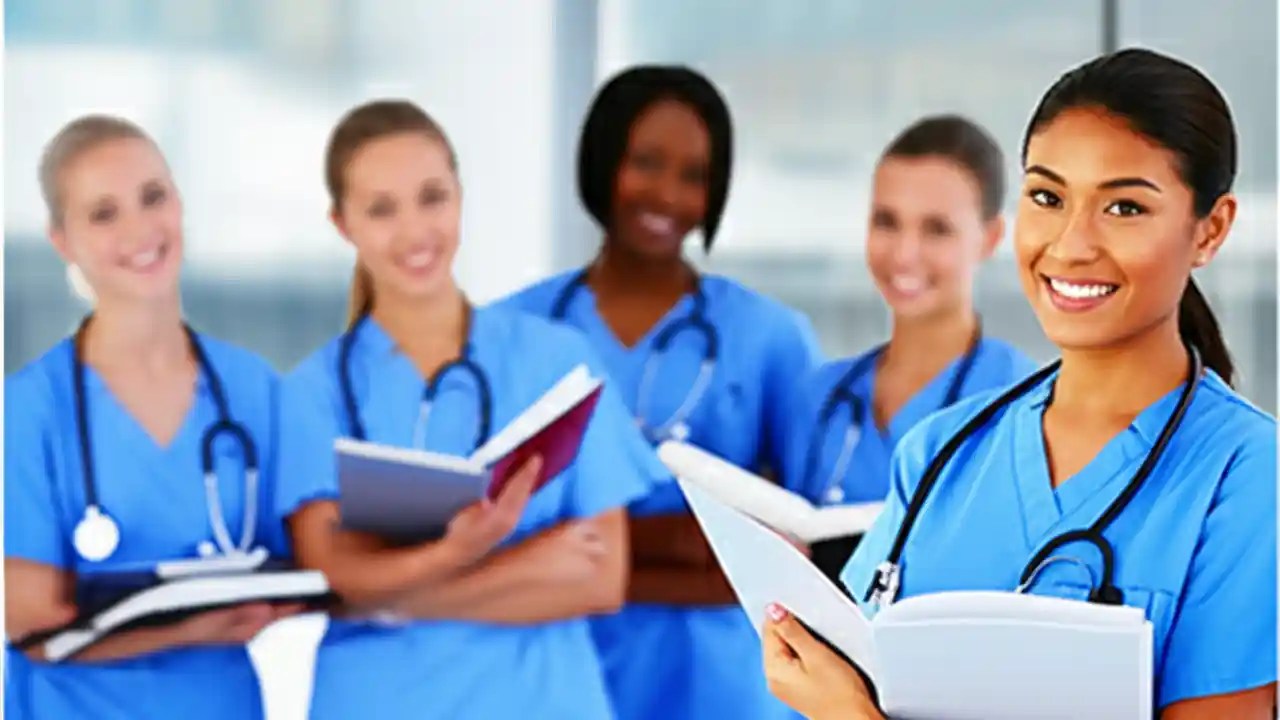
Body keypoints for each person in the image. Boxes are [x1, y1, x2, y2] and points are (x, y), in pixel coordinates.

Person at [761, 48, 1277, 720]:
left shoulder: (1245, 475)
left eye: (1123, 207)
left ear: (1210, 230)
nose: (1070, 245)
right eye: (1047, 196)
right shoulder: (940, 452)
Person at [275, 99, 663, 719]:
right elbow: (335, 575)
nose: (414, 231)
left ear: (460, 196)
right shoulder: (313, 394)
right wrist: (473, 555)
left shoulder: (558, 362)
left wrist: (399, 598)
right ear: (342, 224)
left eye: (432, 197)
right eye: (381, 209)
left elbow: (599, 577)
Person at [497, 65, 823, 720]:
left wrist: (586, 556)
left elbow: (803, 548)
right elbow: (490, 535)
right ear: (602, 161)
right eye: (645, 162)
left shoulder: (768, 337)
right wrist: (690, 548)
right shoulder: (514, 332)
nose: (668, 194)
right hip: (558, 676)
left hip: (723, 686)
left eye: (695, 176)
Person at [4, 116, 296, 719]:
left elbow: (315, 558)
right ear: (63, 240)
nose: (139, 228)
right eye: (103, 214)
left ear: (179, 204)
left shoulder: (253, 391)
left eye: (152, 197)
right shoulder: (30, 411)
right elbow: (30, 621)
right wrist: (196, 629)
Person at [782, 115, 1038, 580]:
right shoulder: (818, 398)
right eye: (887, 222)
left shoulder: (1023, 400)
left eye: (936, 229)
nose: (904, 253)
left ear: (991, 238)